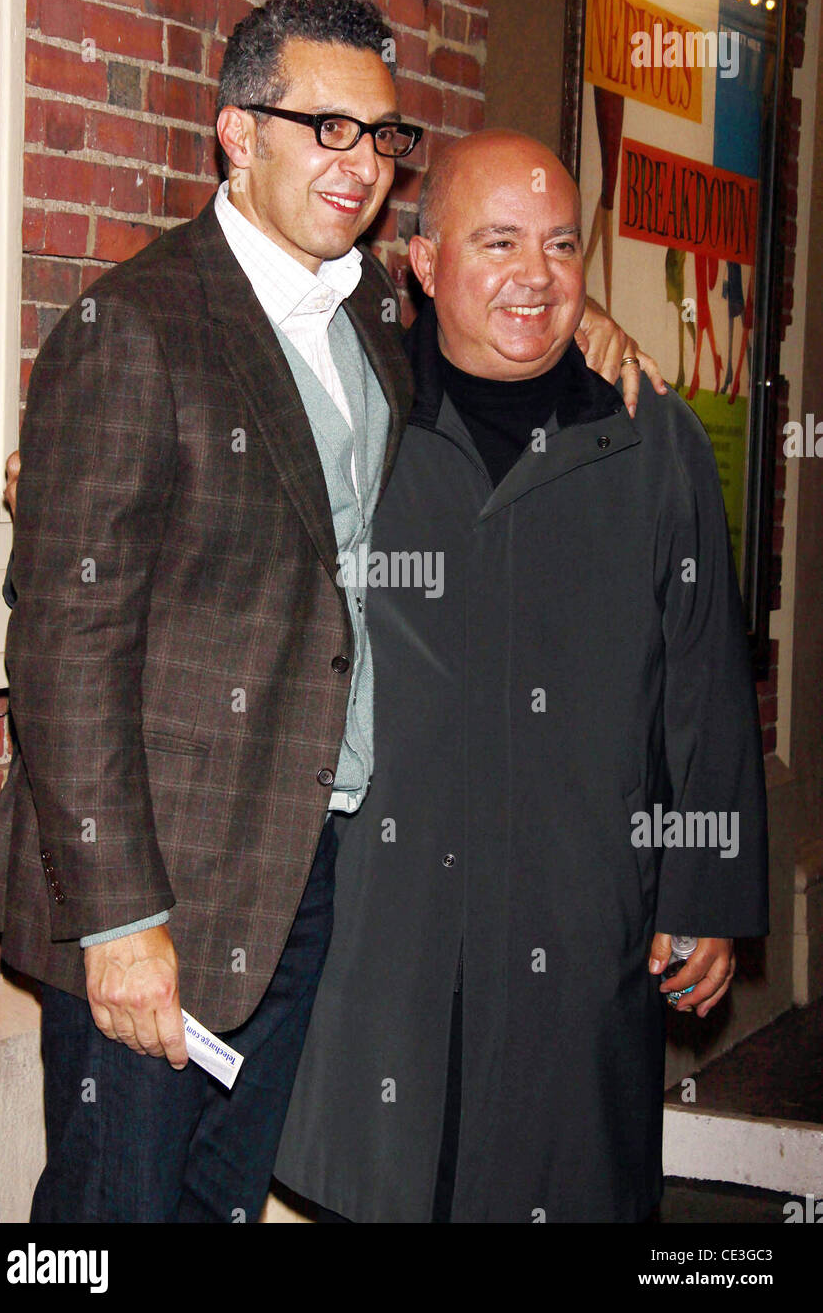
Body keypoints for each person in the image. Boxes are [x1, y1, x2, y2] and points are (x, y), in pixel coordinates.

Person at [0, 0, 655, 1225]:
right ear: (236, 133)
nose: (358, 165)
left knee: (219, 1203)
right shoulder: (139, 326)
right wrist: (118, 919)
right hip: (160, 881)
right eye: (322, 127)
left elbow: (487, 317)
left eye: (379, 137)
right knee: (107, 1218)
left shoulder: (373, 314)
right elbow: (66, 642)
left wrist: (578, 314)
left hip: (311, 865)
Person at [273, 130, 769, 1224]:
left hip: (580, 908)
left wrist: (700, 892)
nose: (532, 276)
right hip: (384, 918)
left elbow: (700, 686)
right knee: (378, 1180)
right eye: (495, 241)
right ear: (423, 259)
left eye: (557, 246)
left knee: (565, 1176)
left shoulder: (652, 439)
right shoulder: (360, 421)